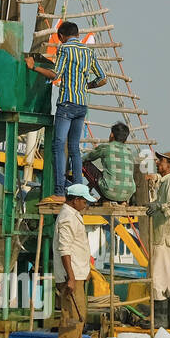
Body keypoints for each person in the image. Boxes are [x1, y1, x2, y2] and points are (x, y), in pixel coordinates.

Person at [25, 21, 105, 202]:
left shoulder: (64, 49)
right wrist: (87, 86)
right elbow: (102, 78)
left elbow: (56, 74)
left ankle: (60, 192)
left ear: (61, 36)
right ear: (77, 34)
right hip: (81, 104)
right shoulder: (88, 51)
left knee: (58, 146)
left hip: (67, 103)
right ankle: (78, 189)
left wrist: (33, 67)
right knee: (75, 148)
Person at [53, 183, 95, 338]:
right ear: (76, 200)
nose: (86, 205)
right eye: (84, 201)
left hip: (78, 273)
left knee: (77, 316)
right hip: (72, 276)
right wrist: (70, 277)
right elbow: (65, 250)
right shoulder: (67, 218)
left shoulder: (72, 214)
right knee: (72, 316)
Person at [147, 150, 170, 329]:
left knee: (158, 278)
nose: (157, 163)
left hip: (163, 237)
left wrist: (156, 206)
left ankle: (160, 321)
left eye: (161, 161)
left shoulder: (169, 182)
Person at [84, 122, 137, 205]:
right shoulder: (129, 151)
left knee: (85, 164)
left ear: (112, 135)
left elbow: (86, 158)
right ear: (125, 139)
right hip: (128, 194)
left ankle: (105, 198)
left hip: (109, 192)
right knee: (112, 176)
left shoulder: (106, 147)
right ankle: (122, 201)